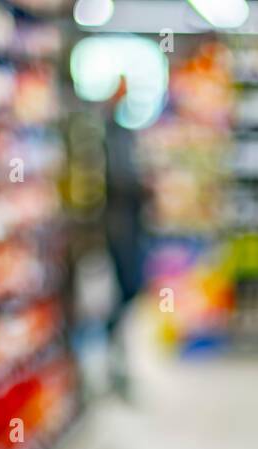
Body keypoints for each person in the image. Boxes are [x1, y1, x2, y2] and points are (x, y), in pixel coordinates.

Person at [101, 76, 148, 399]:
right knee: (126, 287)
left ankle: (115, 349)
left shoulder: (122, 131)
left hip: (130, 222)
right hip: (118, 224)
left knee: (130, 288)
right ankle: (111, 348)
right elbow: (120, 178)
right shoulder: (107, 133)